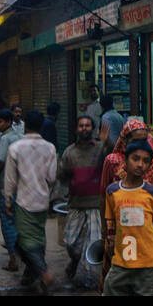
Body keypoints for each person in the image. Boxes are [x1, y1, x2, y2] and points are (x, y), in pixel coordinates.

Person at [4, 110, 59, 293]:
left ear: (25, 124)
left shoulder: (16, 148)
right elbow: (52, 178)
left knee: (25, 243)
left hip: (24, 201)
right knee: (38, 238)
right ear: (42, 125)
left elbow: (10, 179)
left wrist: (8, 200)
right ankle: (33, 275)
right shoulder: (50, 148)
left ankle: (44, 273)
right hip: (42, 199)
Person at [102, 139, 153, 296]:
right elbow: (111, 225)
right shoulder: (112, 192)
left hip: (148, 263)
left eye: (145, 161)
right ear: (125, 160)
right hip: (121, 262)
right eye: (135, 158)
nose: (140, 164)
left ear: (150, 165)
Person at [57, 114, 106, 289]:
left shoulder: (101, 148)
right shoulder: (69, 152)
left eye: (87, 125)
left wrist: (106, 142)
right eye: (81, 126)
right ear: (76, 129)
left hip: (95, 205)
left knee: (93, 244)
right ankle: (74, 260)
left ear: (92, 129)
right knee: (70, 243)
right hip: (76, 204)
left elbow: (116, 159)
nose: (84, 128)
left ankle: (90, 280)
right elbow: (62, 177)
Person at [100, 118, 153, 198]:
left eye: (143, 140)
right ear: (125, 140)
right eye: (135, 141)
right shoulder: (112, 160)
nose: (140, 144)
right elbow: (104, 193)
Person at [0, 109, 23, 272]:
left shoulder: (5, 138)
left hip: (8, 186)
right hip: (23, 185)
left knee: (8, 222)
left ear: (9, 122)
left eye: (0, 122)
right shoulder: (20, 136)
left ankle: (13, 259)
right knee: (19, 221)